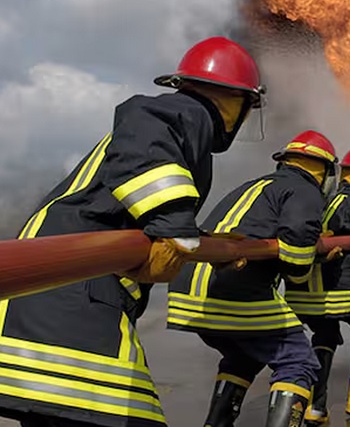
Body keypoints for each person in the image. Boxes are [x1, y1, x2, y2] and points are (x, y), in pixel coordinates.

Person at [0, 37, 264, 427]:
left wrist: (206, 243)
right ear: (236, 101)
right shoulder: (186, 113)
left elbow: (128, 210)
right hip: (75, 291)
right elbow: (144, 121)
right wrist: (176, 228)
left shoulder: (180, 129)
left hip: (61, 292)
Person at [167, 130, 338, 427]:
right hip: (232, 284)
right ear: (325, 172)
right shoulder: (305, 189)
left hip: (189, 286)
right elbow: (297, 256)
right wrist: (310, 261)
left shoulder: (257, 185)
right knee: (298, 361)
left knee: (244, 356)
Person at [285, 145, 350, 423]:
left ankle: (315, 407)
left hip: (307, 291)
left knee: (324, 335)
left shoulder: (326, 196)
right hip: (341, 290)